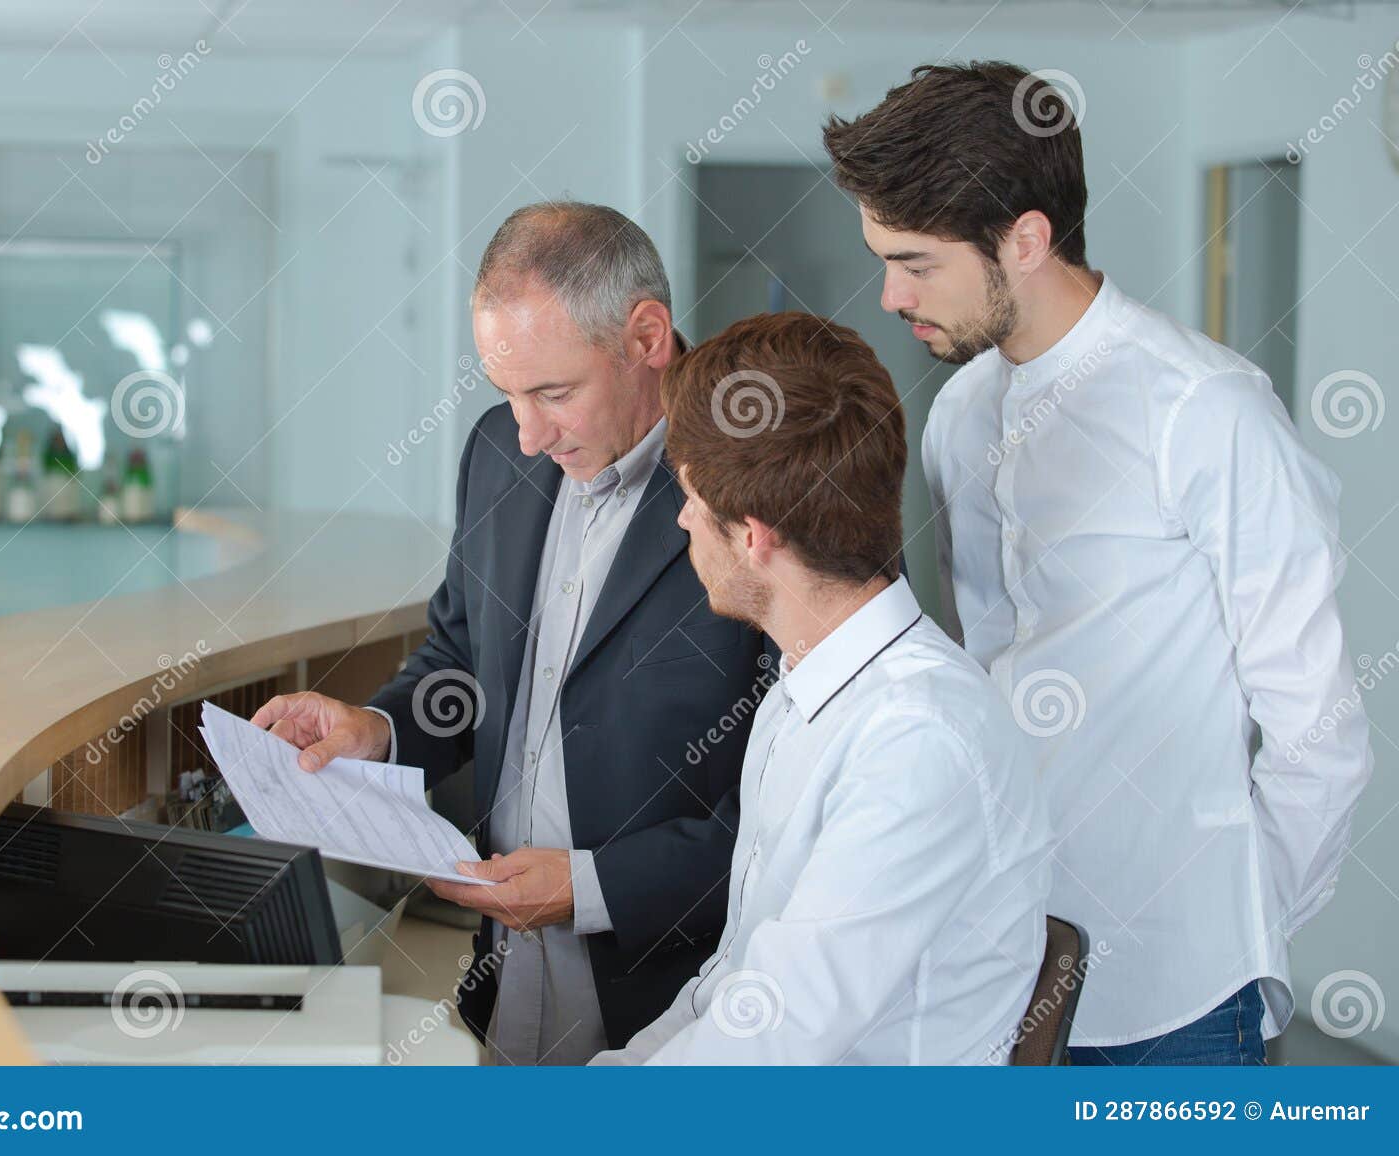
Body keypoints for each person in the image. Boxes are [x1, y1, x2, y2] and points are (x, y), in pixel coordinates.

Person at [823, 61, 1372, 1064]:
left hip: (1186, 995)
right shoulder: (959, 411)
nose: (891, 295)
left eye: (915, 262)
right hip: (1003, 961)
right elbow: (985, 671)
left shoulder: (1204, 408)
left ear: (1024, 240)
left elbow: (1318, 728)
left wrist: (1243, 928)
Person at [251, 202, 769, 1065]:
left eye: (554, 394)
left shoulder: (760, 480)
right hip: (504, 978)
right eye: (508, 394)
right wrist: (376, 731)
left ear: (647, 337)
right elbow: (461, 657)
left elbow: (793, 807)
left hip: (681, 998)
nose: (528, 433)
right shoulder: (500, 451)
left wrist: (592, 888)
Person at [592, 311, 1050, 1065]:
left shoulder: (917, 739)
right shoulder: (805, 687)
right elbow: (734, 984)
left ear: (754, 534)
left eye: (692, 498)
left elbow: (775, 1037)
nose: (680, 519)